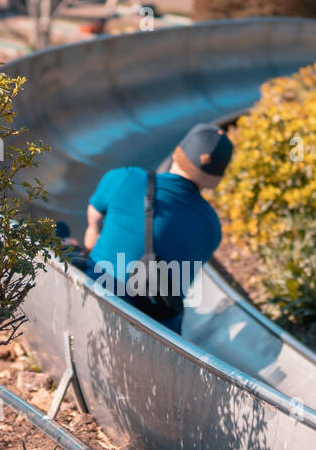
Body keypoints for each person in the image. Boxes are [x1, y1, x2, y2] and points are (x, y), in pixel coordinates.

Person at [82, 124, 232, 332]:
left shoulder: (125, 178)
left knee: (64, 235)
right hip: (156, 332)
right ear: (216, 179)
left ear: (178, 151)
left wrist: (93, 239)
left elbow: (94, 223)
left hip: (97, 301)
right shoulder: (212, 227)